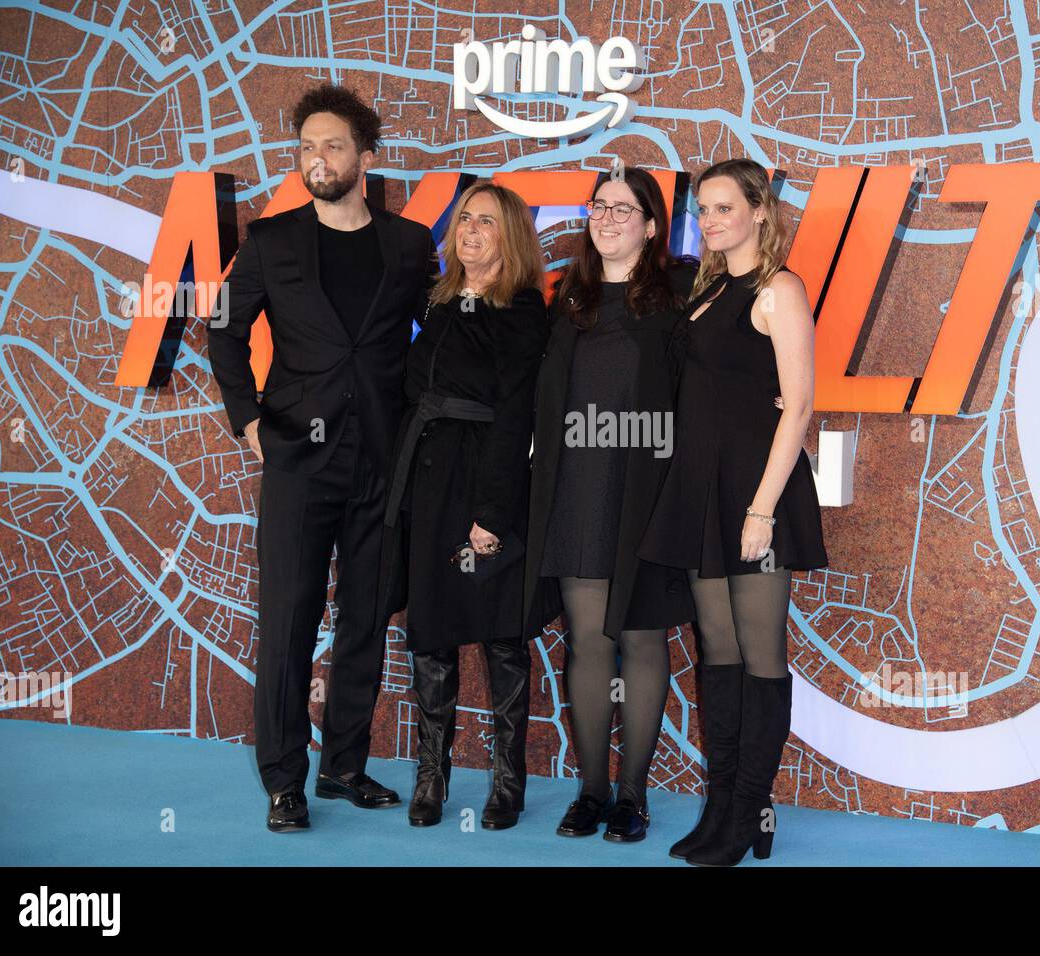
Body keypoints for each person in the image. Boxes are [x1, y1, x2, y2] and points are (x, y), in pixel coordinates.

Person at [208, 83, 437, 832]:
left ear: (366, 155)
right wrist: (249, 425)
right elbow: (224, 334)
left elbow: (428, 345)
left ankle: (344, 766)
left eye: (333, 145)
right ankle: (284, 780)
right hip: (298, 462)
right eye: (307, 146)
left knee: (366, 618)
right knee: (289, 622)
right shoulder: (270, 241)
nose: (318, 158)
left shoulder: (408, 245)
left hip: (381, 460)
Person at [638, 158, 828, 866]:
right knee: (716, 652)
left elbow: (799, 405)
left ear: (758, 211)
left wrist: (761, 511)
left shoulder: (780, 289)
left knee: (760, 655)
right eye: (704, 211)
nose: (711, 221)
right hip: (698, 486)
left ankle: (750, 810)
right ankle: (723, 805)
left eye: (724, 208)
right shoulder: (704, 288)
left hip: (756, 490)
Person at [523, 166, 697, 843]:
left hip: (649, 488)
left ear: (653, 225)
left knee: (642, 637)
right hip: (578, 488)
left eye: (627, 208)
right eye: (600, 205)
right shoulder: (568, 297)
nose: (609, 217)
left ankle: (633, 796)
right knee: (589, 641)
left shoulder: (681, 292)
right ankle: (592, 791)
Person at [380, 182, 550, 831]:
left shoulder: (524, 311)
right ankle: (432, 775)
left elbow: (515, 417)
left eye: (486, 221)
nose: (470, 230)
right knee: (431, 631)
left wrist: (492, 514)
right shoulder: (441, 300)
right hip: (428, 480)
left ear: (510, 236)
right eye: (464, 219)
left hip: (487, 484)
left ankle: (508, 780)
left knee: (502, 635)